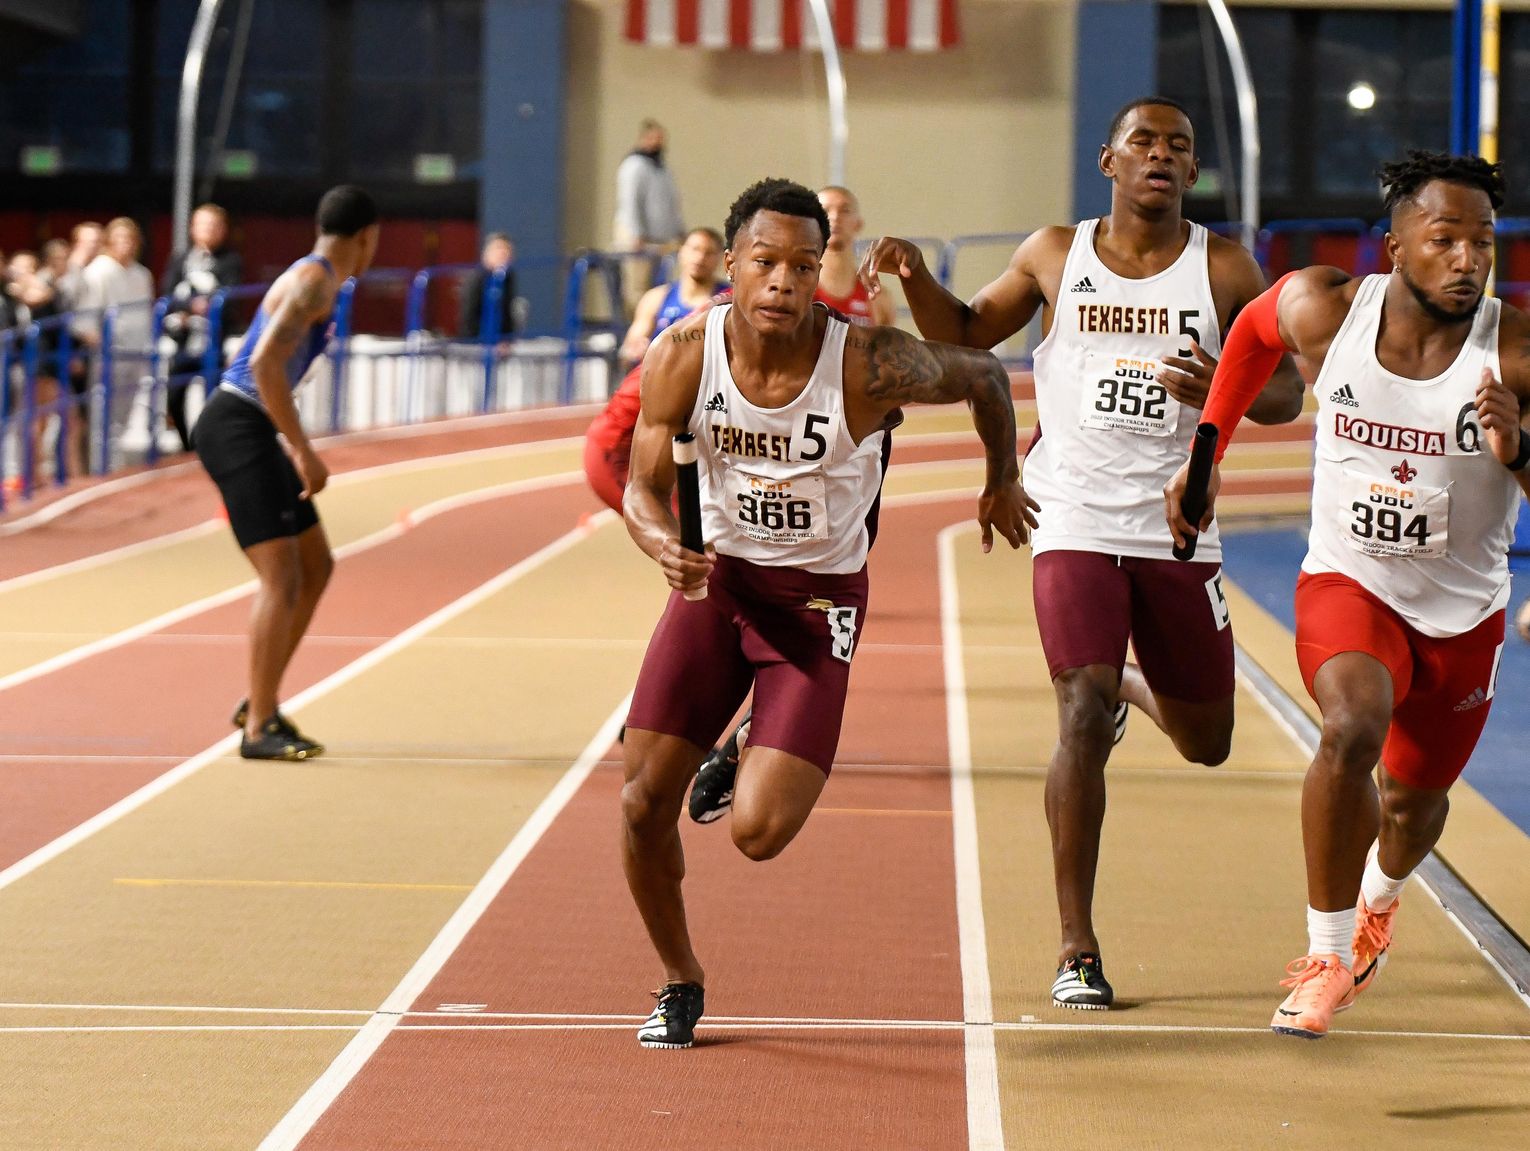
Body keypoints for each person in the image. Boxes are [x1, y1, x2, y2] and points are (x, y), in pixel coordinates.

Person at [859, 96, 1305, 1010]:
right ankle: (1077, 947)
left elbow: (1284, 393)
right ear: (1108, 159)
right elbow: (968, 335)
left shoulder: (1223, 268)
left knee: (1209, 741)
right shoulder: (1055, 253)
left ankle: (1138, 690)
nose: (1162, 156)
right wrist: (911, 275)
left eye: (1179, 146)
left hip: (1179, 528)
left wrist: (1225, 382)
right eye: (1143, 142)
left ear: (1191, 171)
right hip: (1072, 512)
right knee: (1078, 710)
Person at [619, 177, 1035, 1048]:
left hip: (815, 606)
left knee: (758, 834)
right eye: (765, 262)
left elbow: (987, 374)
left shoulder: (865, 362)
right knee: (640, 803)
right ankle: (679, 979)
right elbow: (640, 488)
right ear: (731, 264)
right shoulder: (682, 354)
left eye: (802, 266)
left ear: (820, 272)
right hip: (718, 590)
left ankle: (742, 741)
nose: (782, 283)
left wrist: (1003, 477)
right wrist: (660, 542)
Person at [1165, 150, 1530, 1038]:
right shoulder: (1325, 307)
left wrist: (1518, 454)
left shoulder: (1513, 352)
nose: (1467, 260)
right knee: (1350, 723)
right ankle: (1326, 954)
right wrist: (1204, 460)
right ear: (1395, 244)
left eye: (1482, 242)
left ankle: (1378, 903)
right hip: (1349, 578)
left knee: (1411, 807)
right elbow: (1251, 339)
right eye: (1444, 238)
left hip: (1462, 609)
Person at [192, 185, 380, 761]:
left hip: (254, 425)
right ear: (365, 238)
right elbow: (264, 363)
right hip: (238, 425)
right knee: (281, 578)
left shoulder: (320, 280)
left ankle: (260, 700)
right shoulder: (314, 281)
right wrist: (302, 449)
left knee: (316, 565)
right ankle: (259, 727)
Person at [161, 203, 243, 452]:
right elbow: (167, 295)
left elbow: (231, 298)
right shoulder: (181, 258)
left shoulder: (231, 260)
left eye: (213, 225)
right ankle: (188, 446)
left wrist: (207, 307)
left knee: (215, 400)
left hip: (214, 344)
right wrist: (187, 309)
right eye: (203, 224)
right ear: (192, 228)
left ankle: (207, 445)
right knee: (173, 398)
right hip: (184, 342)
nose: (208, 230)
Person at [619, 227, 725, 367]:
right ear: (681, 251)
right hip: (662, 379)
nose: (700, 258)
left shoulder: (728, 300)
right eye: (695, 249)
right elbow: (628, 352)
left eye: (709, 253)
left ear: (723, 258)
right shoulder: (656, 298)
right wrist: (634, 351)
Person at [612, 119, 686, 315]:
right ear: (643, 138)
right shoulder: (634, 165)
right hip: (637, 237)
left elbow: (673, 203)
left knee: (660, 286)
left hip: (659, 238)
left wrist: (680, 231)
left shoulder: (663, 170)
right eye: (653, 138)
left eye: (661, 138)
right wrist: (637, 233)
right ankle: (635, 329)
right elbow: (630, 200)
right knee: (637, 287)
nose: (657, 143)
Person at [815, 186, 895, 328]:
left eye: (844, 210)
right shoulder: (800, 292)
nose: (835, 217)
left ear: (858, 224)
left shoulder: (878, 298)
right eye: (825, 210)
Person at [459, 231, 519, 342]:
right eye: (498, 248)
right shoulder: (476, 278)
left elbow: (507, 314)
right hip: (476, 343)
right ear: (486, 253)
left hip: (500, 344)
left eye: (507, 249)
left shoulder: (507, 278)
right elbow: (469, 318)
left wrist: (507, 340)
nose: (503, 253)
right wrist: (486, 342)